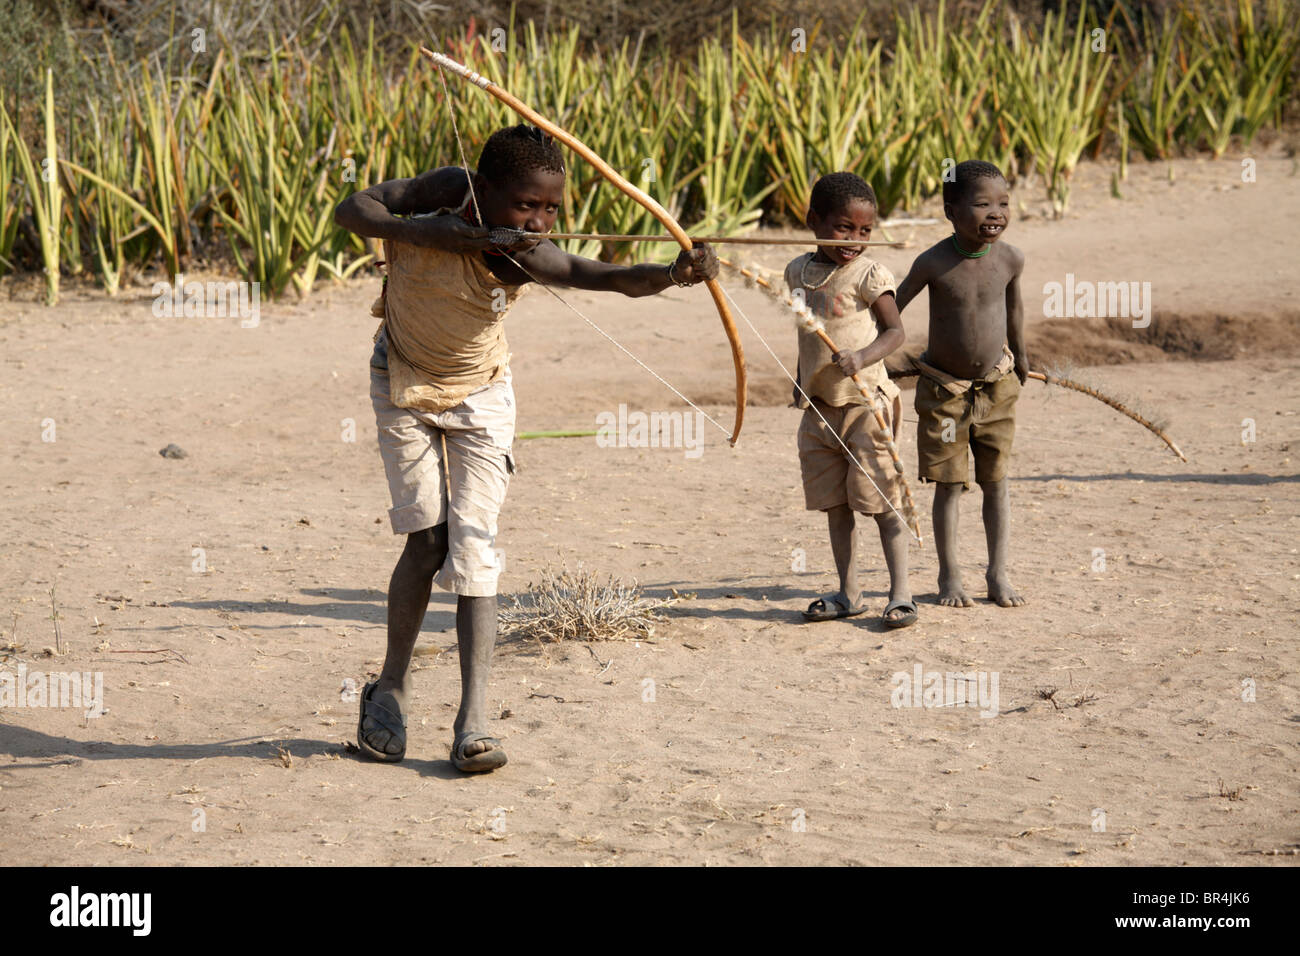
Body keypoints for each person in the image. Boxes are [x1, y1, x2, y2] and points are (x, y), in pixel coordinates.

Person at [333, 124, 719, 771]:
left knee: (475, 550)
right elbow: (354, 210)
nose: (539, 222)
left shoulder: (524, 254)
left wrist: (674, 272)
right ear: (481, 190)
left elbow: (603, 275)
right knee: (426, 540)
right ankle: (392, 687)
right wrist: (425, 231)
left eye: (551, 210)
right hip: (401, 380)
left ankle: (473, 719)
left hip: (481, 392)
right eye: (525, 206)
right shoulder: (446, 190)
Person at [895, 159, 1028, 609]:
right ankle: (950, 576)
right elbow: (892, 306)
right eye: (982, 204)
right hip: (943, 392)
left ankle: (997, 572)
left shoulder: (1010, 258)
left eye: (1003, 203)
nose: (996, 213)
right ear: (951, 212)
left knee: (997, 481)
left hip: (997, 387)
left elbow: (1014, 313)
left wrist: (1022, 357)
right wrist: (880, 356)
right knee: (949, 485)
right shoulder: (932, 262)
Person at [789, 172, 916, 629]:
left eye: (865, 231)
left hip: (867, 406)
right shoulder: (796, 272)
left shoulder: (869, 273)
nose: (855, 240)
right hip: (821, 407)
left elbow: (895, 333)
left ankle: (901, 593)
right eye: (844, 228)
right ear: (814, 221)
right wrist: (801, 380)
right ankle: (849, 592)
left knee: (880, 500)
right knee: (836, 505)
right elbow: (806, 333)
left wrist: (861, 357)